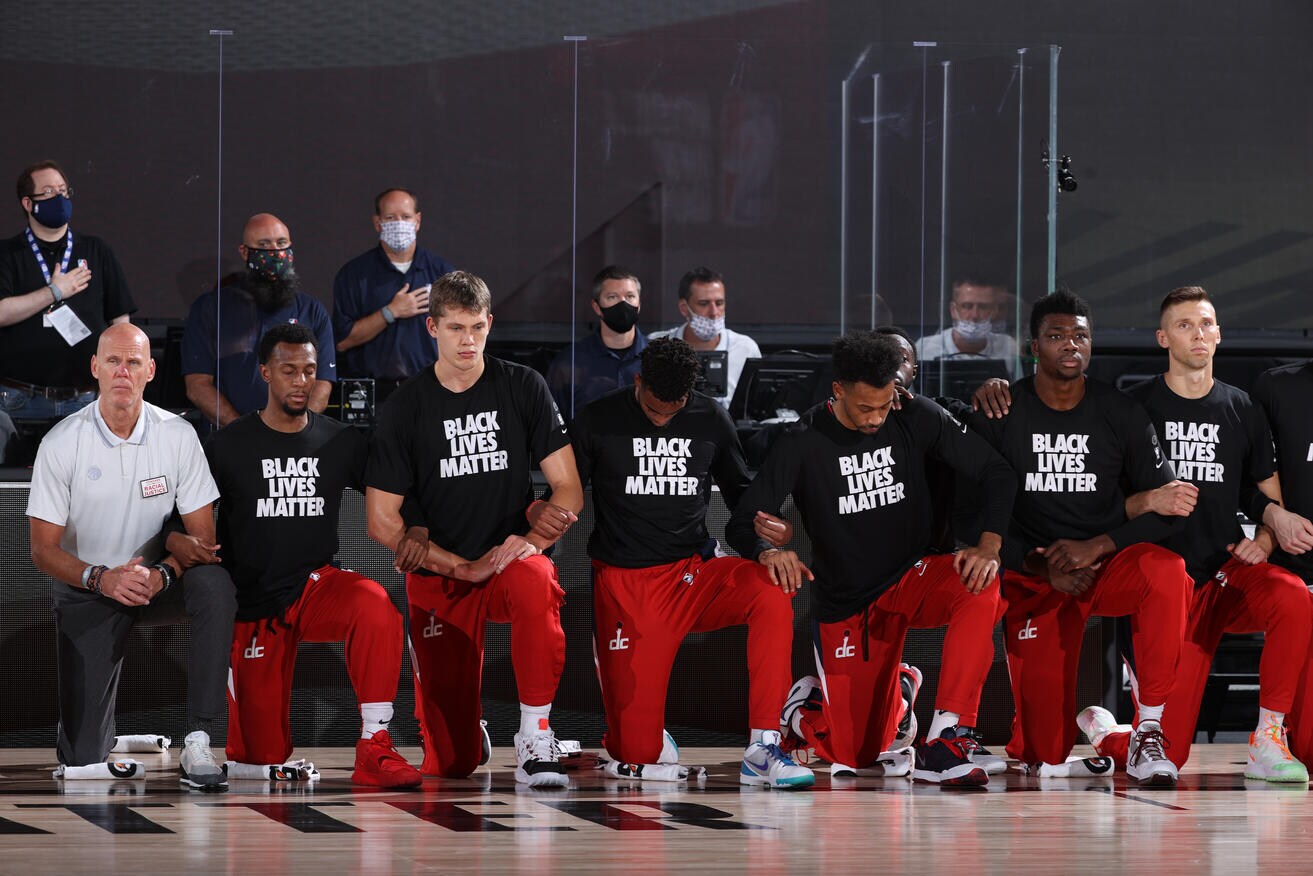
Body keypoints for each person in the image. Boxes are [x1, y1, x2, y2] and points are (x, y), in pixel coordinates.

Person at [726, 330, 1018, 784]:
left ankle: (946, 736)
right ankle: (805, 710)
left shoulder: (913, 413)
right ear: (838, 390)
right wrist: (768, 550)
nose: (877, 418)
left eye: (884, 404)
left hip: (911, 577)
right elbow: (741, 521)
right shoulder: (802, 439)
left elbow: (996, 471)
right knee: (855, 756)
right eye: (866, 408)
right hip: (849, 601)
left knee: (979, 581)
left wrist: (990, 543)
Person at [1070, 287, 1312, 782]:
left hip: (1223, 574)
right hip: (1162, 589)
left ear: (1219, 334)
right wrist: (1149, 501)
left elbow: (1268, 500)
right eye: (1184, 325)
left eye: (1206, 324)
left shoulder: (1243, 408)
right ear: (1163, 337)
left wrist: (1265, 541)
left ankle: (1268, 738)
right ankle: (1108, 733)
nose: (1198, 333)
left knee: (1292, 595)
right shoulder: (1133, 406)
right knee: (1168, 754)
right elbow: (1101, 504)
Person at [365, 270, 584, 787]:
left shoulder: (521, 385)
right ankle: (465, 731)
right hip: (443, 573)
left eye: (478, 328)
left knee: (538, 581)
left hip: (505, 561)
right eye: (456, 328)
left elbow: (569, 488)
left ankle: (535, 736)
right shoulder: (404, 408)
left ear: (490, 324)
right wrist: (460, 566)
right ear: (431, 328)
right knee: (452, 764)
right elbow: (380, 521)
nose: (468, 341)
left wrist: (529, 543)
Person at [967, 288, 1190, 785]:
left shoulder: (1121, 411)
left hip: (1101, 567)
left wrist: (1099, 545)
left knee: (1166, 571)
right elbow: (975, 512)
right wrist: (1035, 564)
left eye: (1080, 336)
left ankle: (1148, 725)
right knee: (1043, 758)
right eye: (1056, 336)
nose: (1071, 345)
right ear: (1034, 347)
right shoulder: (1003, 411)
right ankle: (1110, 736)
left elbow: (1167, 509)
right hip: (1035, 577)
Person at [571, 336, 811, 787]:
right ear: (638, 381)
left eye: (674, 408)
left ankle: (764, 745)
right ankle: (635, 726)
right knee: (637, 755)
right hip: (627, 584)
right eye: (654, 408)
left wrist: (767, 541)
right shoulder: (596, 419)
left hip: (693, 574)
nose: (663, 419)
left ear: (691, 392)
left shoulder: (709, 418)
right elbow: (563, 497)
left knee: (772, 587)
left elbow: (744, 508)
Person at [203, 323, 421, 787]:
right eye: (288, 371)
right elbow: (185, 515)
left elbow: (397, 492)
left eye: (309, 370)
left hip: (315, 586)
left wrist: (418, 525)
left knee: (376, 606)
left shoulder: (341, 441)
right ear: (265, 372)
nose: (301, 381)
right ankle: (259, 745)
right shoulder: (228, 444)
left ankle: (375, 746)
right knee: (256, 762)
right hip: (254, 603)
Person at [26, 323, 236, 789]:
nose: (124, 371)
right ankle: (107, 738)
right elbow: (43, 551)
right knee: (81, 761)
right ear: (96, 368)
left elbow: (203, 541)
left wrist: (163, 572)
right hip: (90, 587)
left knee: (215, 587)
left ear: (150, 371)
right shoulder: (62, 443)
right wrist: (102, 578)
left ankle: (198, 740)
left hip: (159, 583)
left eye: (134, 362)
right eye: (114, 361)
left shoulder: (177, 435)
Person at [0, 160, 134, 422]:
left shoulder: (96, 250)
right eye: (49, 192)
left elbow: (120, 320)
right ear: (28, 204)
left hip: (84, 398)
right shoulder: (7, 254)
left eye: (63, 191)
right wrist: (54, 292)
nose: (59, 198)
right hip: (17, 399)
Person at [182, 213, 336, 428]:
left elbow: (322, 385)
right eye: (264, 245)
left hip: (293, 442)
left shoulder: (312, 310)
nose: (275, 252)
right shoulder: (211, 308)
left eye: (281, 243)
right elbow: (198, 385)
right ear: (245, 252)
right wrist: (244, 433)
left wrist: (294, 430)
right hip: (229, 440)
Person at [1248, 349, 1313, 764]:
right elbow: (1243, 477)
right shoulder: (1277, 386)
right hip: (1300, 582)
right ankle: (1113, 735)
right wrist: (1274, 517)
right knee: (1307, 750)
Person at [332, 188, 455, 403]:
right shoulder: (354, 275)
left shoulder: (442, 273)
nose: (399, 224)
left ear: (417, 221)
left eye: (406, 217)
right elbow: (342, 342)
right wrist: (390, 312)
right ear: (377, 222)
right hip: (374, 396)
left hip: (431, 392)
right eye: (390, 218)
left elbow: (459, 334)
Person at [648, 267, 761, 409]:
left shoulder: (746, 349)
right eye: (704, 303)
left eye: (719, 303)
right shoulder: (657, 345)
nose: (714, 312)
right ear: (684, 308)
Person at [546, 265, 647, 421]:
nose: (623, 304)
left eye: (630, 296)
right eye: (612, 297)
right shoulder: (570, 361)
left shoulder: (657, 358)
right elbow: (553, 426)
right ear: (596, 307)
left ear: (639, 304)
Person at [915, 275, 1021, 380]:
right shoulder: (925, 348)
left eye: (983, 307)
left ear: (994, 311)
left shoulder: (1007, 346)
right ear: (953, 310)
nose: (974, 315)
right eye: (967, 306)